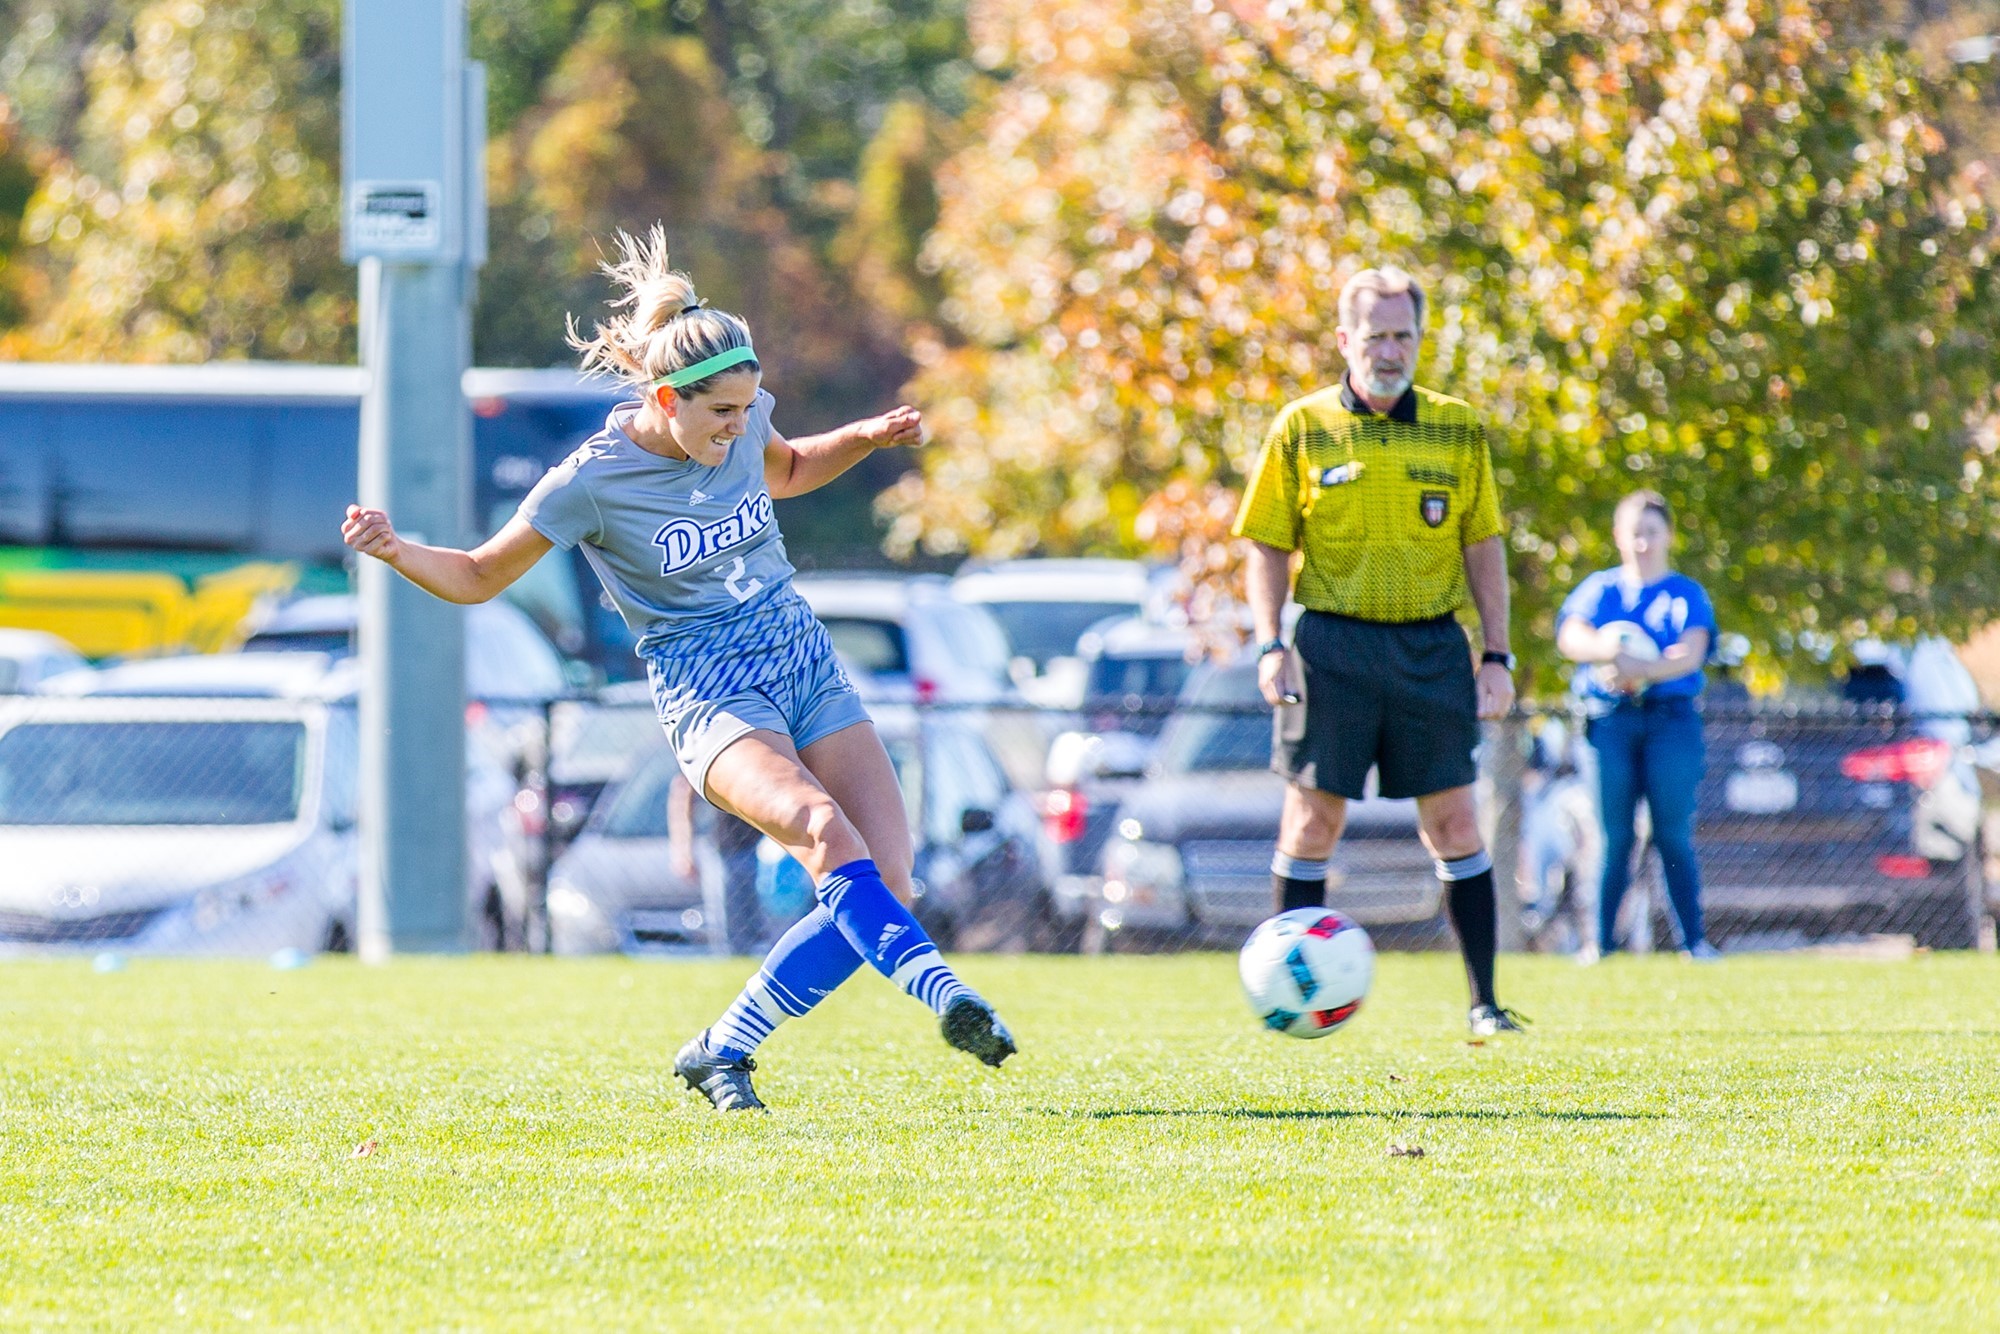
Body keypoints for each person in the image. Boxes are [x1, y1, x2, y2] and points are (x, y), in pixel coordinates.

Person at [342, 225, 1015, 1111]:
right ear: (666, 398)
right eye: (722, 414)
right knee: (820, 828)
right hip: (712, 689)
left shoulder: (744, 421)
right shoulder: (588, 481)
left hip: (803, 658)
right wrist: (397, 551)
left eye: (748, 408)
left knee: (887, 882)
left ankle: (722, 1048)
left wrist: (860, 436)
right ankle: (947, 995)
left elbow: (788, 469)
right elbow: (475, 576)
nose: (739, 427)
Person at [1233, 266, 1524, 1037]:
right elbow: (1265, 544)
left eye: (1403, 336)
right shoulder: (1301, 426)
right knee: (1311, 824)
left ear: (1420, 340)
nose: (1389, 351)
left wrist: (1497, 656)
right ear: (1344, 340)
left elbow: (1483, 544)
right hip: (1330, 646)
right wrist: (1270, 645)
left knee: (1455, 824)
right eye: (1374, 336)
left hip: (1431, 647)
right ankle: (1291, 1001)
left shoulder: (1458, 428)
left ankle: (1485, 1005)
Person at [1556, 489, 1718, 960]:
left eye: (1652, 532)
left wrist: (1639, 670)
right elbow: (1571, 636)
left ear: (1668, 535)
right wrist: (1608, 652)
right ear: (1618, 537)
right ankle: (1601, 943)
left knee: (1671, 832)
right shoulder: (1600, 589)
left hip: (1671, 721)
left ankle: (1693, 942)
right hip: (1610, 721)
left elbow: (1690, 653)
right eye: (1634, 533)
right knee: (1614, 837)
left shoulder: (1685, 594)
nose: (1643, 543)